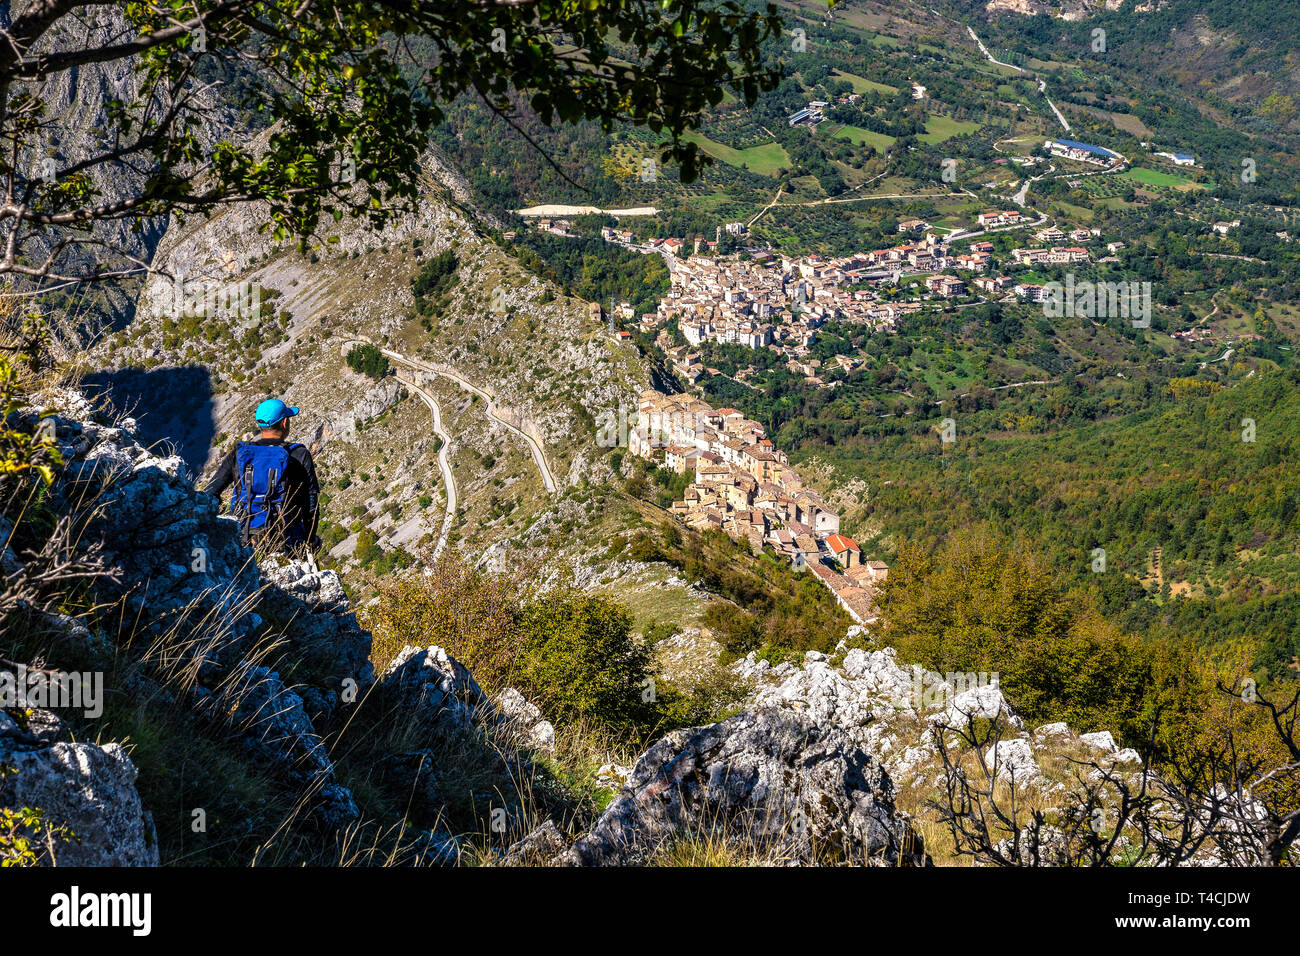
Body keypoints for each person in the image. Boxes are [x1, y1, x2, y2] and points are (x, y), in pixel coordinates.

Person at [204, 398, 321, 557]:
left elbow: (211, 491)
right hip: (287, 540)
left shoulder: (241, 453)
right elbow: (311, 503)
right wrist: (310, 538)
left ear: (259, 425)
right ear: (285, 422)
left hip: (244, 538)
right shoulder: (298, 454)